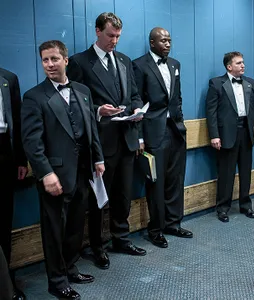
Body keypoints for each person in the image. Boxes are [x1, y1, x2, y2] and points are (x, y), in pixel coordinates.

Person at [21, 40, 105, 300]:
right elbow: (31, 142)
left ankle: (70, 267)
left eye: (54, 59)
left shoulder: (82, 90)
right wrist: (46, 173)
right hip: (54, 176)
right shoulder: (34, 96)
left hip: (82, 173)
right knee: (54, 231)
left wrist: (98, 158)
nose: (49, 64)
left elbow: (91, 129)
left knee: (75, 227)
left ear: (65, 60)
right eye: (45, 60)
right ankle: (56, 282)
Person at [67, 12, 146, 268]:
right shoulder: (79, 62)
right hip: (100, 143)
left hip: (127, 139)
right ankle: (97, 245)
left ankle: (121, 238)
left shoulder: (124, 59)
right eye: (111, 35)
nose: (115, 41)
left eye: (118, 36)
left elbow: (134, 94)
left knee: (123, 194)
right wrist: (99, 110)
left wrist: (136, 110)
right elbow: (73, 105)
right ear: (98, 31)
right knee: (99, 198)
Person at [132, 27, 192, 249]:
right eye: (163, 40)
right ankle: (155, 230)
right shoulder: (139, 65)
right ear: (152, 42)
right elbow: (135, 102)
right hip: (153, 132)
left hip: (175, 130)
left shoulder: (175, 64)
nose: (167, 44)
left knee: (175, 179)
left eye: (169, 40)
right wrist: (139, 137)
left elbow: (177, 98)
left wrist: (182, 124)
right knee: (155, 183)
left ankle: (173, 223)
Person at [205, 52, 254, 223]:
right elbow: (211, 112)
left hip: (246, 132)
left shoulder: (251, 83)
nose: (243, 65)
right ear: (229, 67)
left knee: (246, 171)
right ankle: (223, 208)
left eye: (243, 62)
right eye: (238, 63)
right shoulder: (216, 83)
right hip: (226, 135)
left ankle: (246, 205)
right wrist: (214, 135)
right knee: (226, 173)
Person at [0, 67, 28, 300]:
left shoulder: (9, 78)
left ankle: (5, 285)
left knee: (3, 222)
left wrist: (21, 160)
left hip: (3, 155)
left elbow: (17, 122)